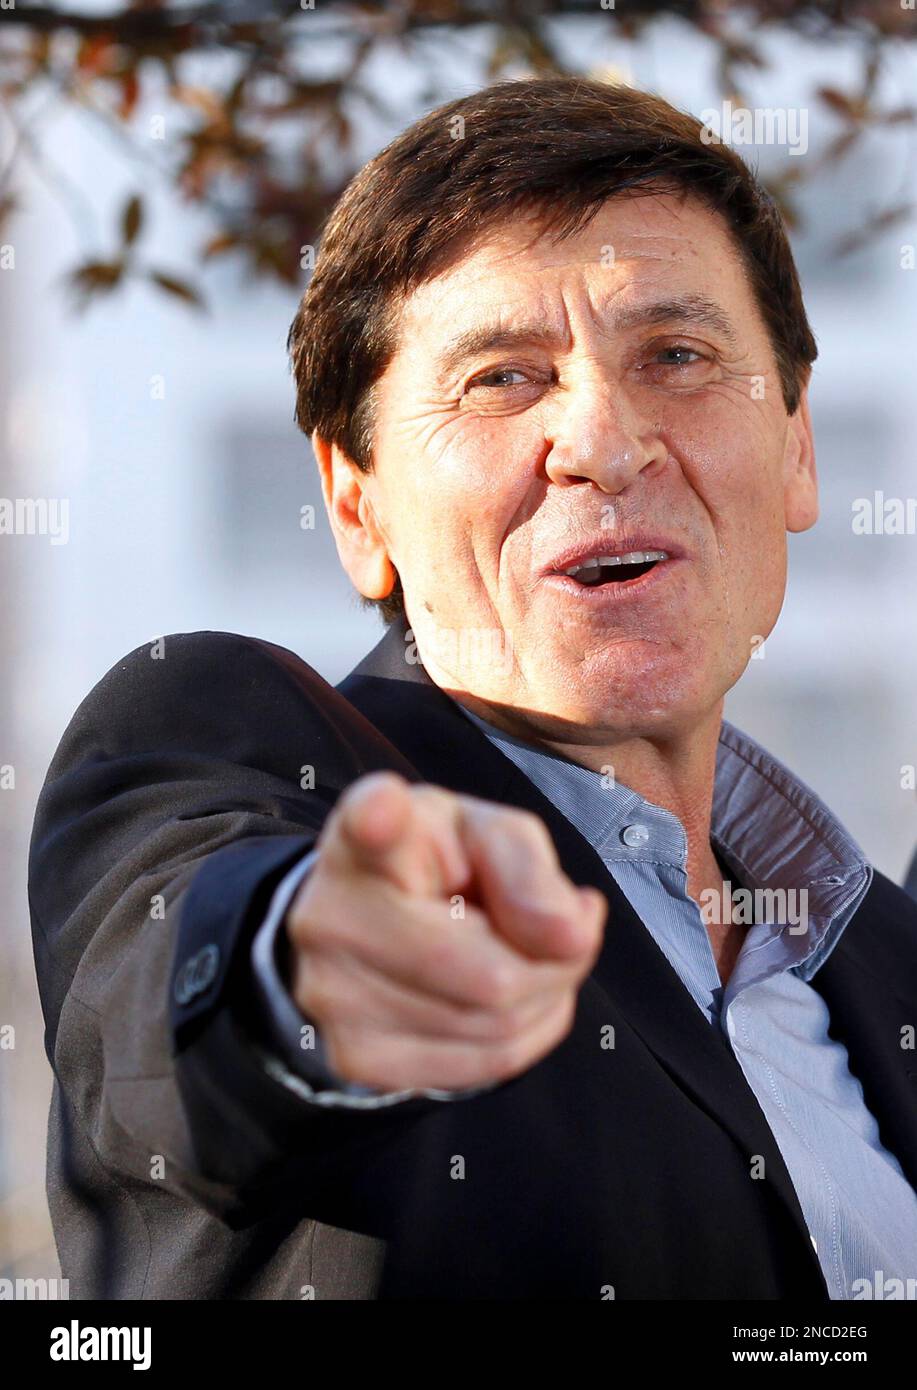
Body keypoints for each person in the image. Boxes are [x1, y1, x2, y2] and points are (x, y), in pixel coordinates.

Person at [29, 75, 917, 1301]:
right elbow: (174, 994)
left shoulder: (882, 960)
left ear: (798, 450)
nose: (602, 442)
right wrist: (313, 963)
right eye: (501, 377)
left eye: (676, 353)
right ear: (358, 505)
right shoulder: (253, 750)